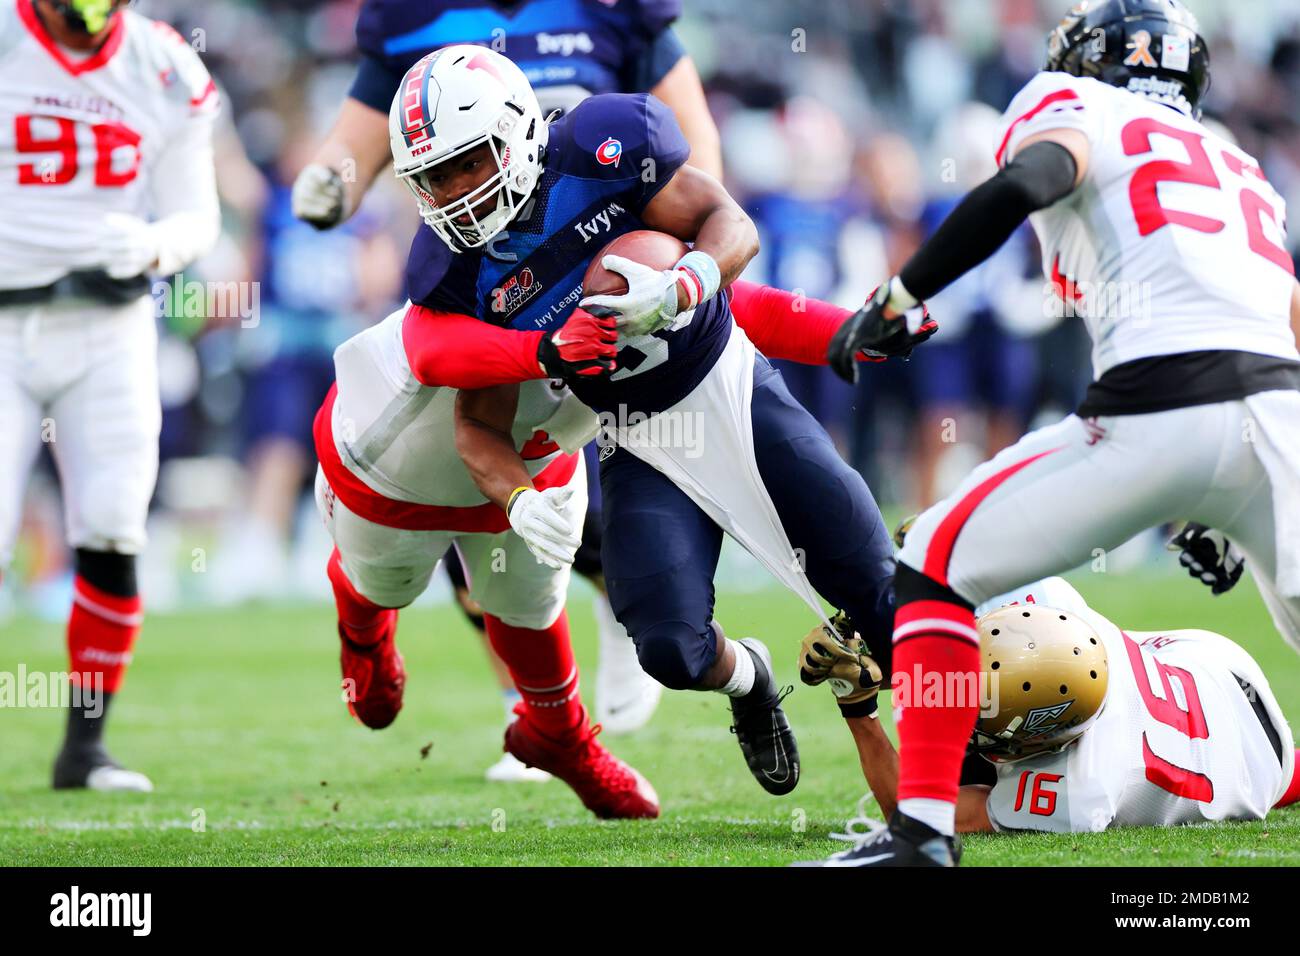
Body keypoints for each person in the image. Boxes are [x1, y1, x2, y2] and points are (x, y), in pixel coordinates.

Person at [824, 0, 1300, 865]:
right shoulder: (1238, 163)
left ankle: (924, 835)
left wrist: (900, 297)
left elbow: (1023, 184)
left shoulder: (1080, 108)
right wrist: (1226, 499)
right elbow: (1284, 320)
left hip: (1158, 404)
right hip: (1280, 417)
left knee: (933, 559)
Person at [393, 47, 921, 795]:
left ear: (512, 135)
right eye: (432, 177)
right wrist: (520, 497)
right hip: (635, 435)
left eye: (465, 165)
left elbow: (727, 222)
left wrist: (682, 286)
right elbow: (477, 421)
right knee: (671, 650)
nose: (450, 194)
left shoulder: (599, 147)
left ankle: (975, 753)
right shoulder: (454, 269)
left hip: (728, 383)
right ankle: (753, 682)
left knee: (879, 599)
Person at [292, 0, 726, 766]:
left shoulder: (608, 13)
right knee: (477, 497)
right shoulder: (408, 15)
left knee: (585, 509)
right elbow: (358, 141)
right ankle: (523, 709)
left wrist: (683, 260)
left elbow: (694, 152)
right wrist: (333, 178)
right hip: (482, 282)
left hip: (605, 275)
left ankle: (623, 609)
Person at [0, 0, 220, 791]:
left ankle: (83, 749)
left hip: (110, 322)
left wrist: (158, 244)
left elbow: (199, 214)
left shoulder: (163, 64)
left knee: (114, 525)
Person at [796, 575, 1298, 859]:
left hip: (1254, 773)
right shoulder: (1049, 604)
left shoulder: (1079, 792)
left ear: (1043, 744)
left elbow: (917, 812)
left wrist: (857, 704)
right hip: (1214, 669)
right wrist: (873, 642)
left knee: (965, 766)